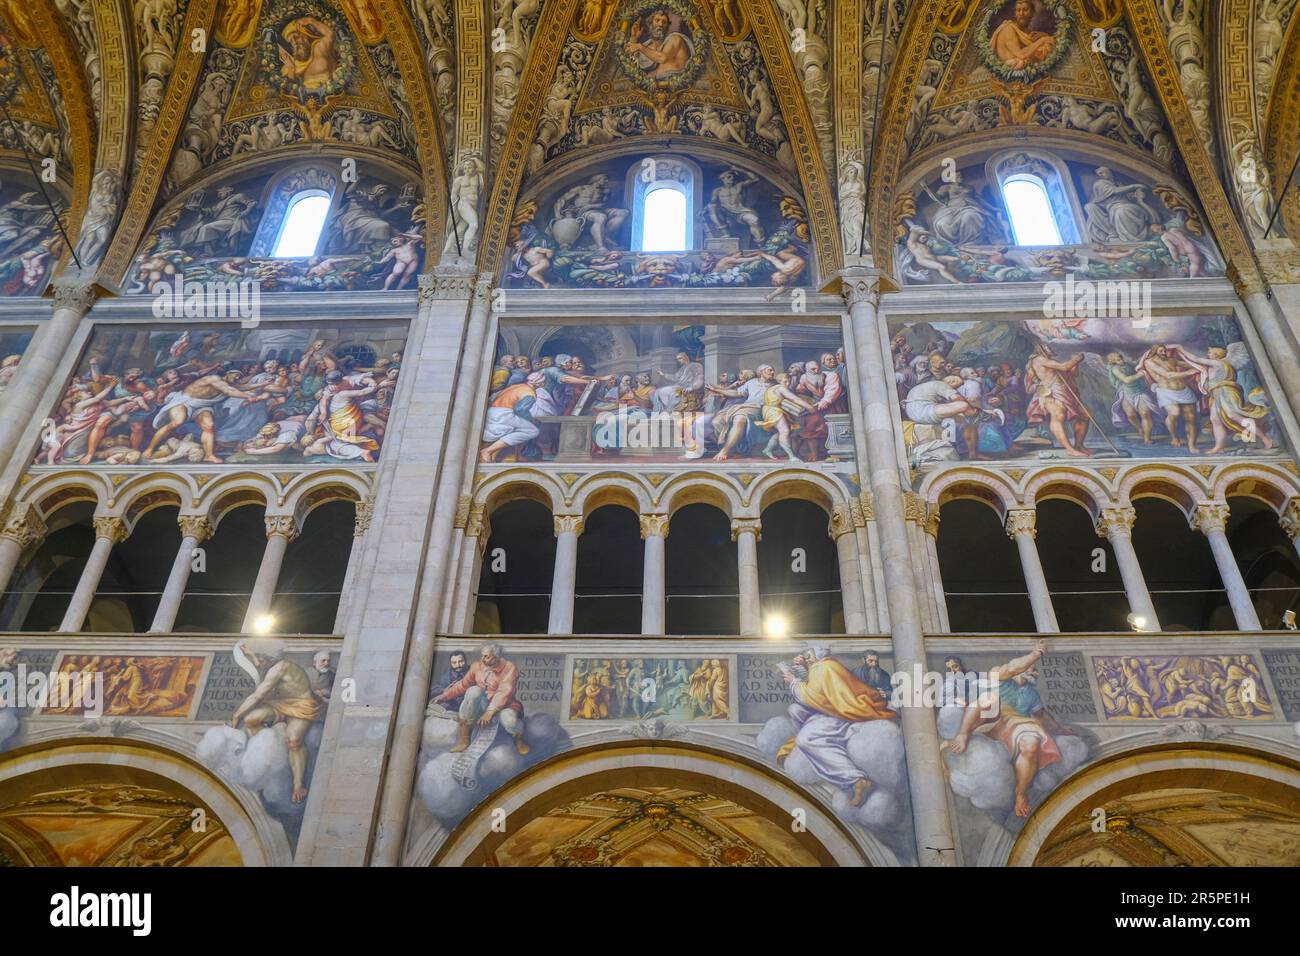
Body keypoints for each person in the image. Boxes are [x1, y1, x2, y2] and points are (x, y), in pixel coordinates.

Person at [941, 640, 1075, 817]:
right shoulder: (998, 675)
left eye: (1035, 670)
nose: (1034, 673)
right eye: (1030, 668)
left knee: (1031, 742)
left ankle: (1020, 793)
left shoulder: (1031, 694)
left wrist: (1060, 730)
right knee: (988, 699)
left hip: (1017, 726)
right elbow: (1013, 668)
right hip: (991, 722)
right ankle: (962, 735)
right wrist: (1035, 654)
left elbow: (1043, 716)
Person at [777, 647, 897, 808]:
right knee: (796, 711)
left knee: (807, 738)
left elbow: (811, 696)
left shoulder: (823, 668)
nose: (806, 659)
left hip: (844, 714)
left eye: (808, 656)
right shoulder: (827, 666)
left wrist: (793, 682)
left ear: (816, 656)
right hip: (839, 710)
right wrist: (804, 669)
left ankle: (856, 780)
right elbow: (821, 691)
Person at [231, 642, 326, 803]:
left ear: (272, 658)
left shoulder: (281, 668)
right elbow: (260, 664)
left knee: (294, 740)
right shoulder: (271, 665)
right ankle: (266, 754)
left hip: (302, 706)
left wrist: (236, 716)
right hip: (281, 704)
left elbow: (257, 696)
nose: (260, 662)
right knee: (251, 720)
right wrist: (251, 654)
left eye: (263, 657)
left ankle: (298, 785)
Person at [432, 643, 530, 756]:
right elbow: (463, 685)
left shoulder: (509, 668)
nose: (482, 659)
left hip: (505, 705)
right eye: (482, 655)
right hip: (482, 705)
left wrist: (490, 712)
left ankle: (518, 740)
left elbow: (504, 692)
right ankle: (464, 740)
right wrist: (444, 696)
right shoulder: (477, 666)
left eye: (486, 656)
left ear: (496, 657)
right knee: (474, 690)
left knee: (510, 720)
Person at [1135, 344, 1204, 452]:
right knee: (1175, 413)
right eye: (1161, 351)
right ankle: (1174, 437)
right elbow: (1168, 375)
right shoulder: (1149, 362)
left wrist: (1201, 369)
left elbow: (1191, 365)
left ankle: (1192, 445)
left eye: (1165, 351)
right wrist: (1189, 372)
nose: (1164, 353)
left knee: (1191, 418)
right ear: (1154, 352)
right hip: (1166, 392)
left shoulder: (1171, 360)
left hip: (1184, 391)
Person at [1026, 343, 1090, 457]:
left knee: (1085, 415)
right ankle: (1069, 448)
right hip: (1051, 393)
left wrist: (1076, 363)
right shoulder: (1039, 359)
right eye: (1047, 346)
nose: (1050, 348)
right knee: (1058, 415)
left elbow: (1073, 374)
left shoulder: (1052, 361)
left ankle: (1079, 445)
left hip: (1066, 393)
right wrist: (1075, 360)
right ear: (1039, 348)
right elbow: (1064, 367)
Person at [1106, 351, 1159, 445]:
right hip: (1126, 392)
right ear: (1113, 362)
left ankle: (1147, 438)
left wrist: (1147, 355)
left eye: (1121, 358)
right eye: (1118, 360)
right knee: (1131, 416)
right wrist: (1141, 374)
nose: (1121, 361)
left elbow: (1139, 362)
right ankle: (1139, 428)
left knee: (1145, 413)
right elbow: (1126, 380)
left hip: (1139, 391)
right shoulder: (1114, 369)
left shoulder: (1129, 364)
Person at [990, 0, 1057, 70]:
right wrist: (1042, 40)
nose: (1021, 14)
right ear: (1015, 13)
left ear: (1032, 12)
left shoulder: (1027, 32)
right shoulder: (1008, 29)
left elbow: (1031, 47)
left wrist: (1044, 36)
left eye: (1025, 10)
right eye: (1018, 10)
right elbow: (1022, 55)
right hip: (1012, 71)